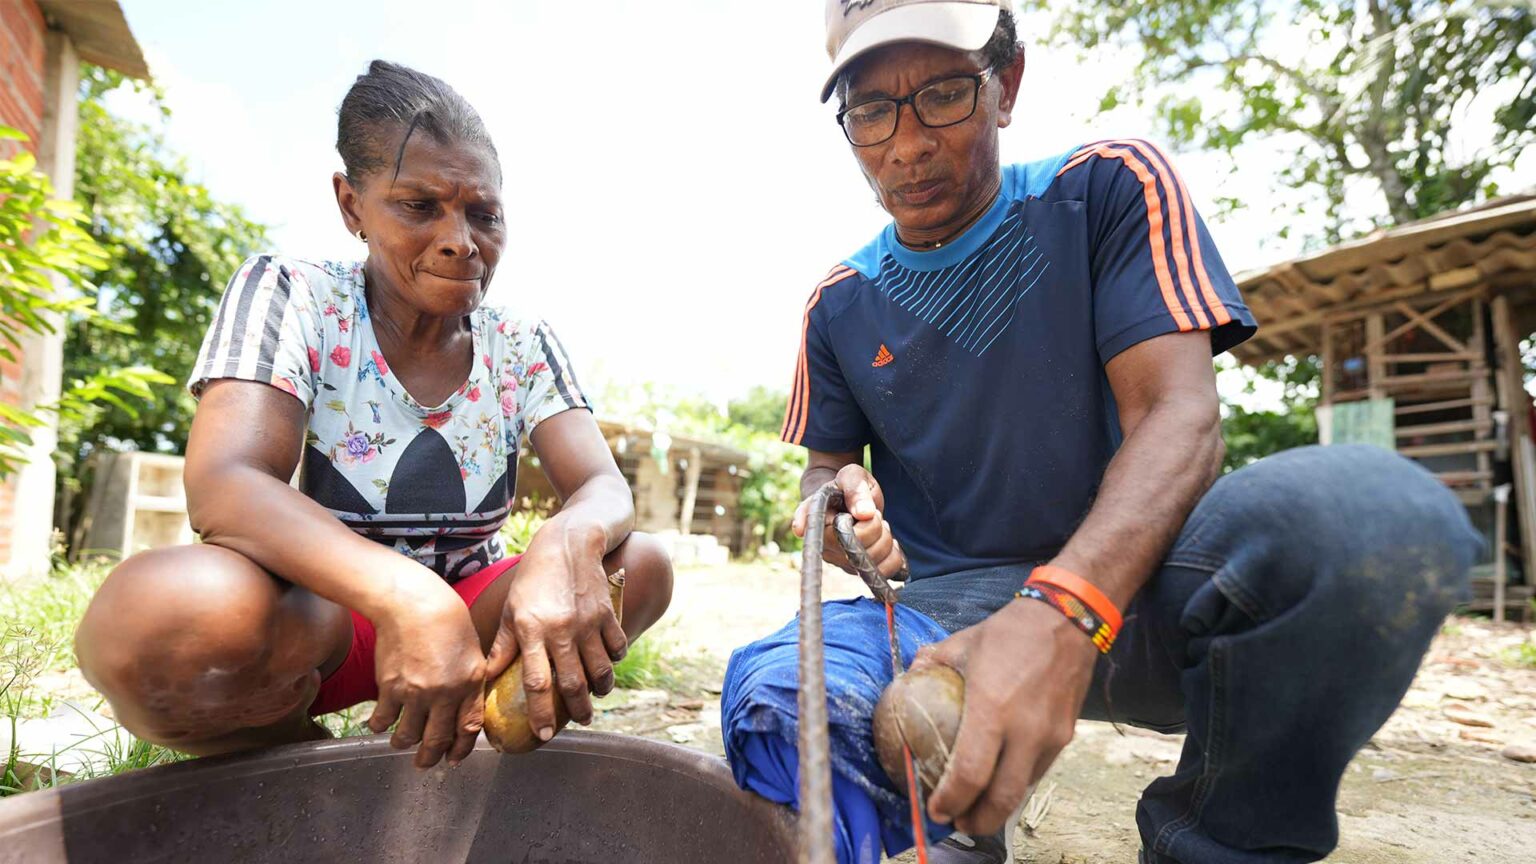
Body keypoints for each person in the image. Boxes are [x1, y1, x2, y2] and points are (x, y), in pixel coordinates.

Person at [720, 2, 1479, 863]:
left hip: (1138, 590)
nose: (906, 143)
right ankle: (946, 827)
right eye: (870, 110)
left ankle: (1217, 843)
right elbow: (824, 473)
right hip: (941, 621)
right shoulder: (839, 302)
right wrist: (838, 513)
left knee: (1373, 522)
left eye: (941, 95)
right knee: (780, 694)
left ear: (1005, 85)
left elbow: (1177, 414)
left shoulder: (1109, 186)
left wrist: (1063, 609)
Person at [75, 61, 672, 770]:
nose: (461, 240)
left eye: (483, 214)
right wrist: (409, 596)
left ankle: (457, 739)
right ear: (352, 205)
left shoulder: (519, 340)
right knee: (160, 618)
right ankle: (297, 758)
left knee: (640, 564)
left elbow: (605, 489)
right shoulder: (293, 295)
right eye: (419, 206)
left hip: (475, 620)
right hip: (319, 624)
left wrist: (563, 543)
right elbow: (225, 486)